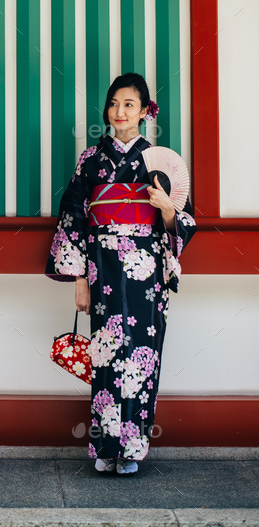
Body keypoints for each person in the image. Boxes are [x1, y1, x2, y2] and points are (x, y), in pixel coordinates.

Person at [45, 73, 196, 475]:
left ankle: (132, 448)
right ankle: (104, 448)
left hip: (147, 267)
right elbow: (74, 218)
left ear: (146, 112)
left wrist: (165, 207)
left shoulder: (159, 159)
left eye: (130, 104)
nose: (119, 112)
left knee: (142, 358)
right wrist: (79, 277)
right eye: (114, 103)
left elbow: (184, 219)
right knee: (107, 354)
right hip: (102, 264)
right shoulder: (91, 161)